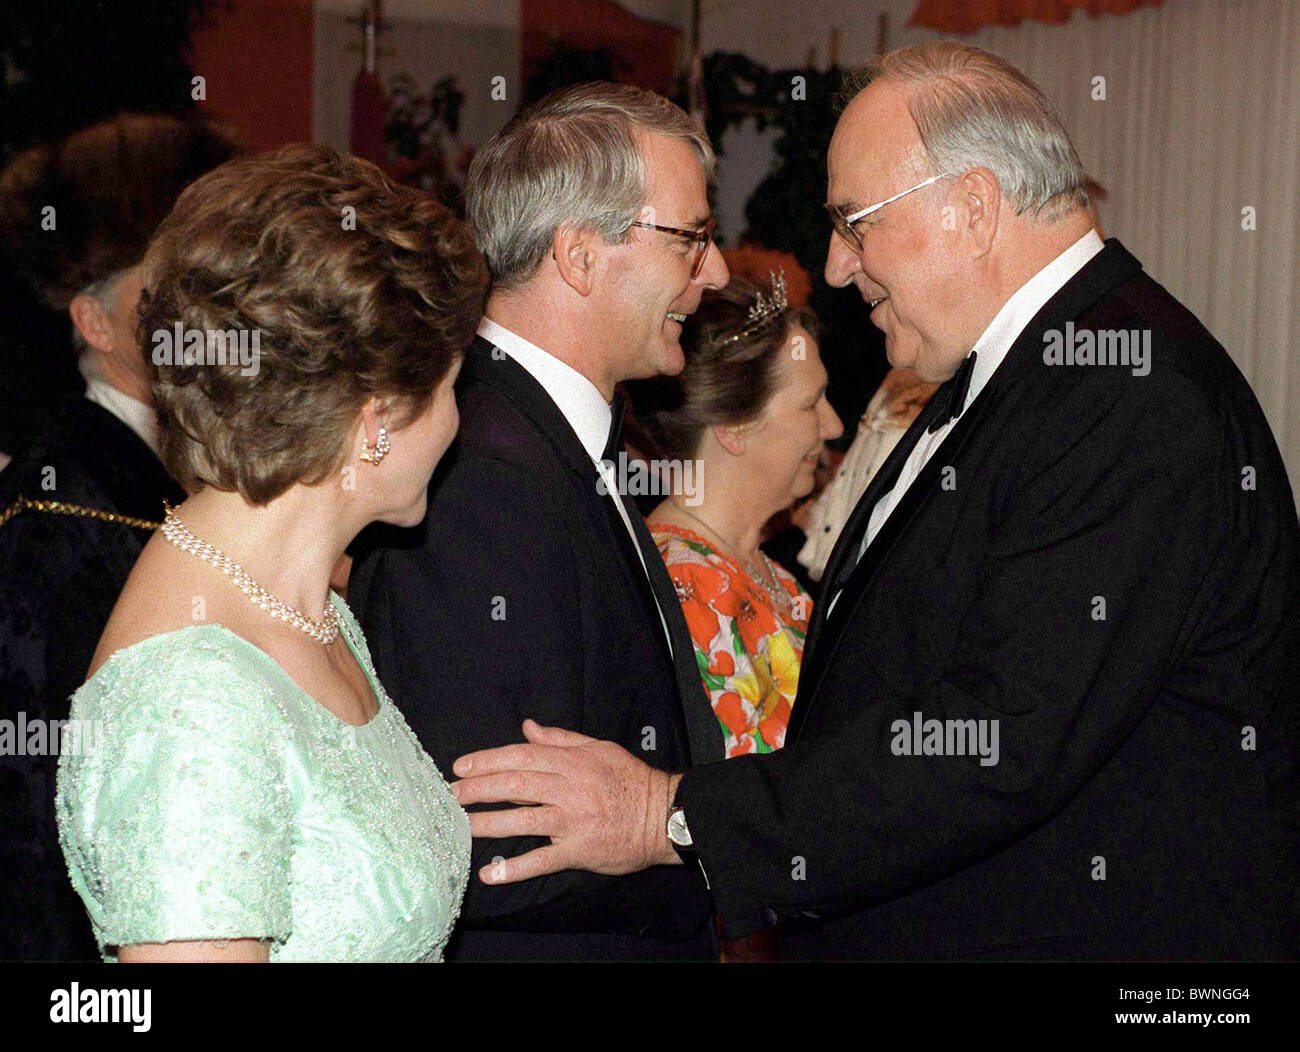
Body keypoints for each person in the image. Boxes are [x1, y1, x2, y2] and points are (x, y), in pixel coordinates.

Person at [448, 42, 1300, 961]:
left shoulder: (1124, 391)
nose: (839, 265)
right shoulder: (1038, 376)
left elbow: (1001, 735)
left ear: (972, 209)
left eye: (855, 223)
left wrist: (672, 814)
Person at [55, 143, 488, 962]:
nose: (461, 422)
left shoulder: (304, 604)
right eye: (452, 387)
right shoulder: (189, 695)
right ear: (378, 419)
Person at [347, 82, 730, 961]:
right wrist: (689, 828)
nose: (713, 273)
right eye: (692, 239)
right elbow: (501, 846)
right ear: (581, 255)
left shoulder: (547, 437)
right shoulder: (482, 476)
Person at [0, 113, 241, 961]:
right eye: (169, 287)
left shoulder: (212, 473)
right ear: (96, 325)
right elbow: (39, 825)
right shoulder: (60, 513)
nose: (209, 311)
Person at [635, 273, 842, 761]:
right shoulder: (686, 583)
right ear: (734, 427)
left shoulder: (769, 573)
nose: (833, 425)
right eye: (811, 404)